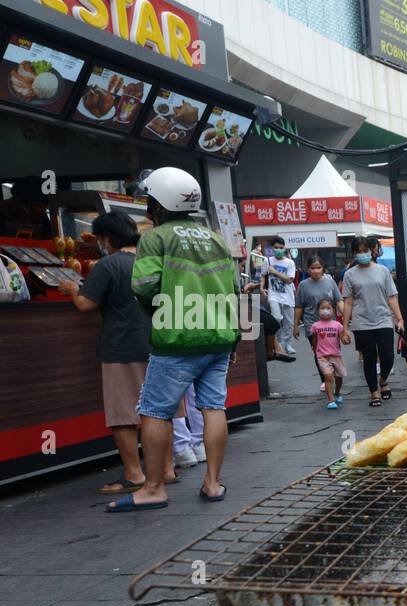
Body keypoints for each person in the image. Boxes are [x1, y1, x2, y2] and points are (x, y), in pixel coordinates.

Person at [110, 167, 239, 512]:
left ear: (160, 205)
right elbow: (236, 289)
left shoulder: (156, 237)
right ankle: (212, 483)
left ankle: (152, 489)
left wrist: (160, 309)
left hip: (177, 339)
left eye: (150, 201)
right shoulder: (215, 239)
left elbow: (143, 286)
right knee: (213, 407)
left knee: (155, 411)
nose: (148, 207)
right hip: (219, 338)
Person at [59, 209, 177, 495]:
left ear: (107, 238)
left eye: (100, 238)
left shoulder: (108, 265)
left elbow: (86, 305)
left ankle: (135, 474)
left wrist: (73, 289)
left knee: (124, 414)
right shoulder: (156, 263)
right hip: (160, 345)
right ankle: (166, 469)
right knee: (160, 411)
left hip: (122, 347)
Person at [341, 235, 404, 407]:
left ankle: (383, 380)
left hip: (383, 319)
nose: (362, 254)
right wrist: (345, 328)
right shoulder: (349, 274)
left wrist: (399, 318)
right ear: (354, 253)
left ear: (371, 251)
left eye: (365, 251)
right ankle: (373, 391)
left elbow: (392, 296)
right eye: (359, 251)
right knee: (369, 358)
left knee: (388, 356)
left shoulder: (383, 271)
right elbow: (348, 302)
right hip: (361, 322)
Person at [293, 255, 342, 394]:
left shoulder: (330, 282)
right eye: (312, 268)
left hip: (330, 324)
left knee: (332, 350)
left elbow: (338, 300)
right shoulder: (303, 285)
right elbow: (299, 307)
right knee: (318, 352)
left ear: (323, 269)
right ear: (307, 269)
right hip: (312, 324)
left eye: (318, 268)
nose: (315, 271)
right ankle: (325, 379)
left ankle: (332, 374)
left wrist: (346, 317)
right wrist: (295, 325)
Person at [310, 297, 351, 410]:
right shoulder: (315, 326)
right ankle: (331, 399)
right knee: (328, 377)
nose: (325, 311)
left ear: (333, 310)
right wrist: (315, 349)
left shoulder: (337, 325)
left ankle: (337, 393)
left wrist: (346, 340)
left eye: (328, 308)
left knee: (339, 376)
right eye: (322, 308)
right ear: (318, 310)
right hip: (322, 356)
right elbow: (314, 339)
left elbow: (343, 337)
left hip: (336, 355)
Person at [261, 236, 297, 354]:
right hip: (274, 295)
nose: (278, 250)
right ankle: (279, 340)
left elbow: (289, 280)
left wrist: (275, 272)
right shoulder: (268, 261)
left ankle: (288, 344)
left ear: (284, 248)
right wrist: (262, 287)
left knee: (289, 322)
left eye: (281, 247)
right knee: (276, 317)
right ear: (272, 248)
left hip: (287, 296)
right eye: (276, 247)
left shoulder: (290, 263)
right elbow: (263, 275)